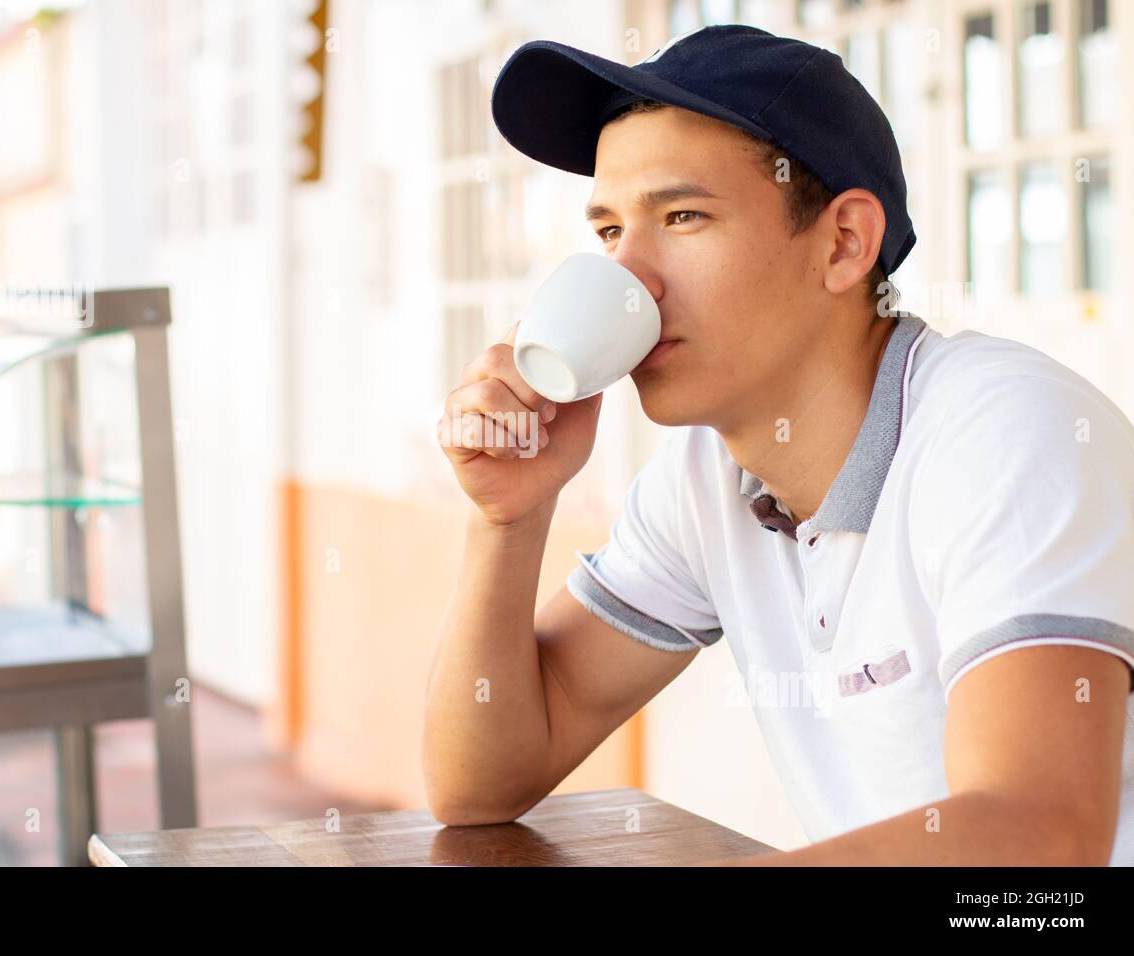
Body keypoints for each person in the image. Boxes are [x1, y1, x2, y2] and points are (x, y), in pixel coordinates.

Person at [425, 25, 1134, 865]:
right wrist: (508, 522)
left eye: (683, 216)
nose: (630, 276)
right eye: (610, 231)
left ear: (843, 244)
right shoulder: (706, 478)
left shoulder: (1007, 432)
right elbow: (479, 782)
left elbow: (1042, 836)